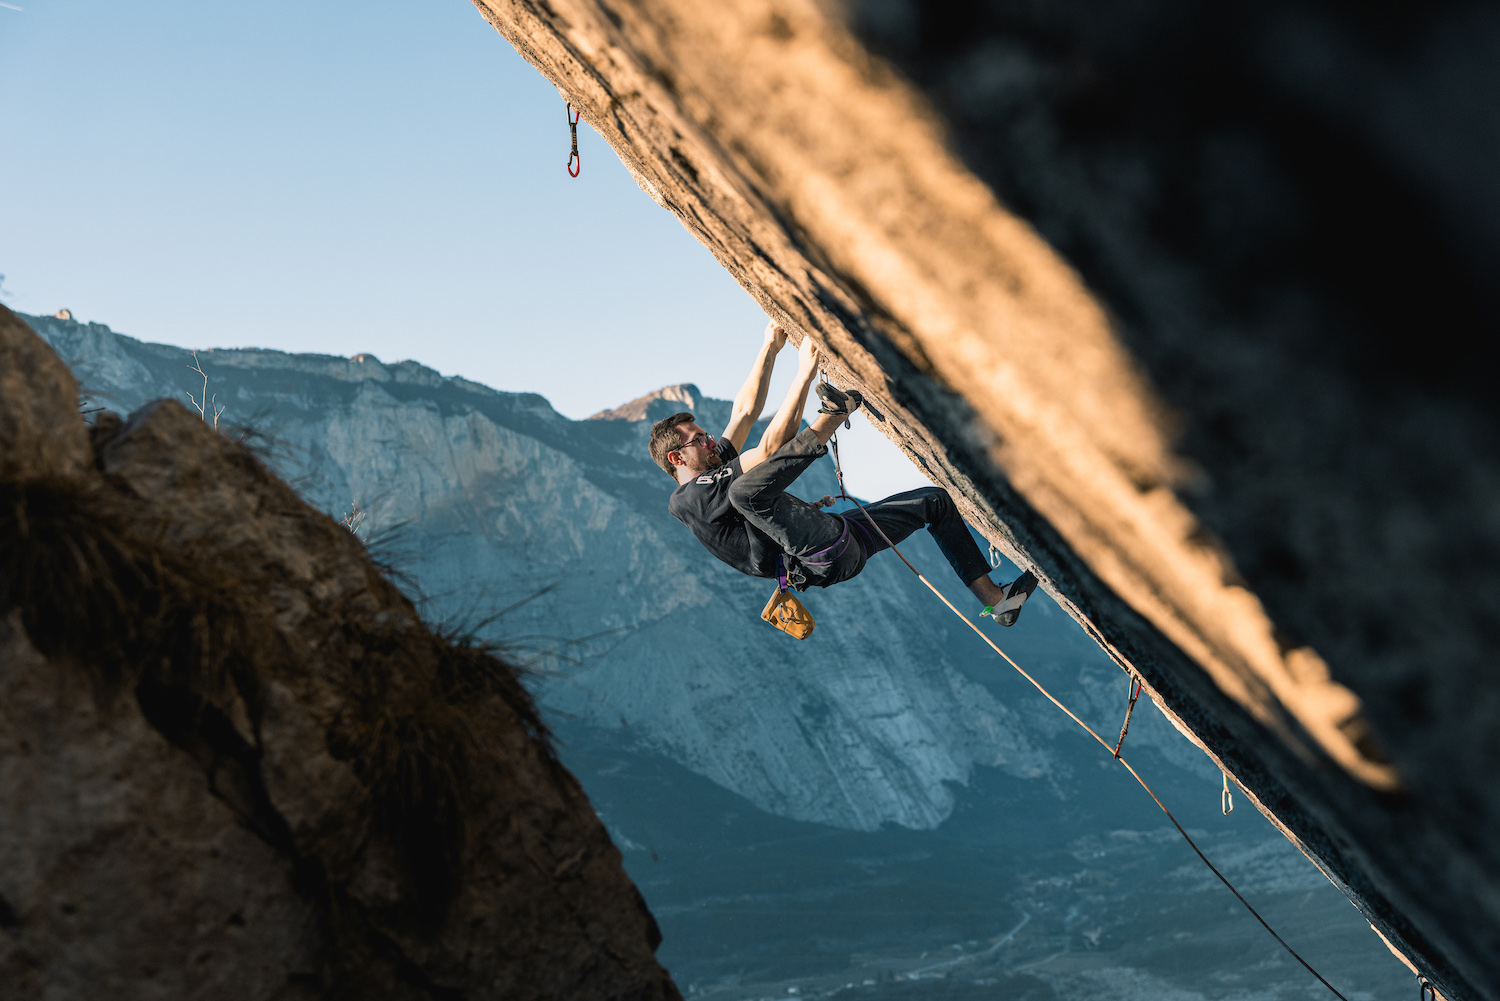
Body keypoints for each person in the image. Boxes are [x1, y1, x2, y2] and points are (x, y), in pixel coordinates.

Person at [649, 323, 1038, 625]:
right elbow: (766, 450)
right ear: (676, 458)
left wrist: (770, 345)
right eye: (699, 440)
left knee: (934, 502)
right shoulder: (694, 498)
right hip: (819, 555)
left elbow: (744, 414)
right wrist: (804, 374)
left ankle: (996, 601)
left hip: (840, 539)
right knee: (745, 492)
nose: (710, 441)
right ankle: (834, 414)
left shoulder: (712, 473)